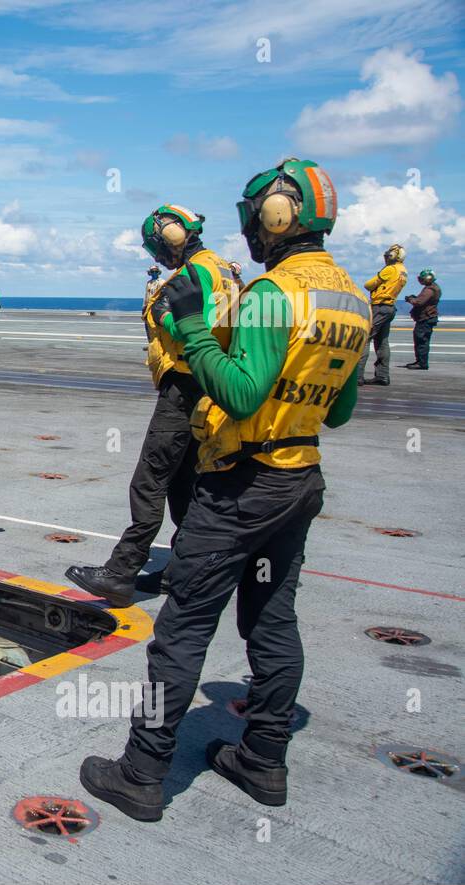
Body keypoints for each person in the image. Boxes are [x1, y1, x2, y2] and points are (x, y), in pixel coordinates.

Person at [80, 158, 369, 822]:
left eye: (255, 218)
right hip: (300, 477)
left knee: (182, 630)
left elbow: (240, 393)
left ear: (277, 216)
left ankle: (141, 774)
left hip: (242, 484)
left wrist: (191, 329)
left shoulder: (273, 294)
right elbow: (343, 410)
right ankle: (263, 760)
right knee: (272, 622)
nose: (250, 232)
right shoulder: (351, 300)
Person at [66, 205, 237, 607]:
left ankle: (121, 571)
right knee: (184, 485)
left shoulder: (195, 272)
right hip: (211, 384)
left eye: (157, 246)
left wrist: (163, 316)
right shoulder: (224, 269)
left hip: (185, 383)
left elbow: (199, 328)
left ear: (172, 236)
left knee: (150, 480)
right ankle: (184, 571)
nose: (159, 255)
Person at [358, 243, 407, 386]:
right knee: (382, 342)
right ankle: (382, 375)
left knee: (365, 338)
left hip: (380, 307)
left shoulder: (390, 269)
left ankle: (357, 376)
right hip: (390, 307)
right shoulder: (403, 270)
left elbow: (368, 285)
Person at [403, 269, 441, 371]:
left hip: (426, 318)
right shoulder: (432, 288)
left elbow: (419, 302)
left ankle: (422, 363)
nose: (420, 280)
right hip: (427, 318)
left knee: (421, 340)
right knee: (421, 340)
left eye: (422, 278)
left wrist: (410, 299)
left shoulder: (430, 289)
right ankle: (420, 361)